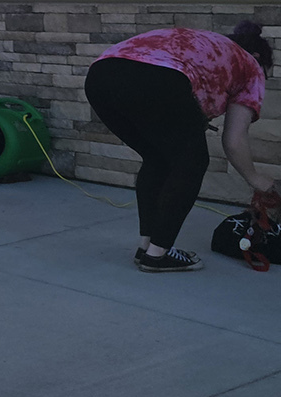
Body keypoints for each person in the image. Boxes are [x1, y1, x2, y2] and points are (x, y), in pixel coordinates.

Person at [85, 21, 275, 272]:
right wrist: (257, 179)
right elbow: (234, 141)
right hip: (157, 77)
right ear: (258, 57)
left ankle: (147, 247)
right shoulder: (251, 66)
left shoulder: (209, 45)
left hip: (100, 76)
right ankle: (158, 255)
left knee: (157, 158)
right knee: (193, 162)